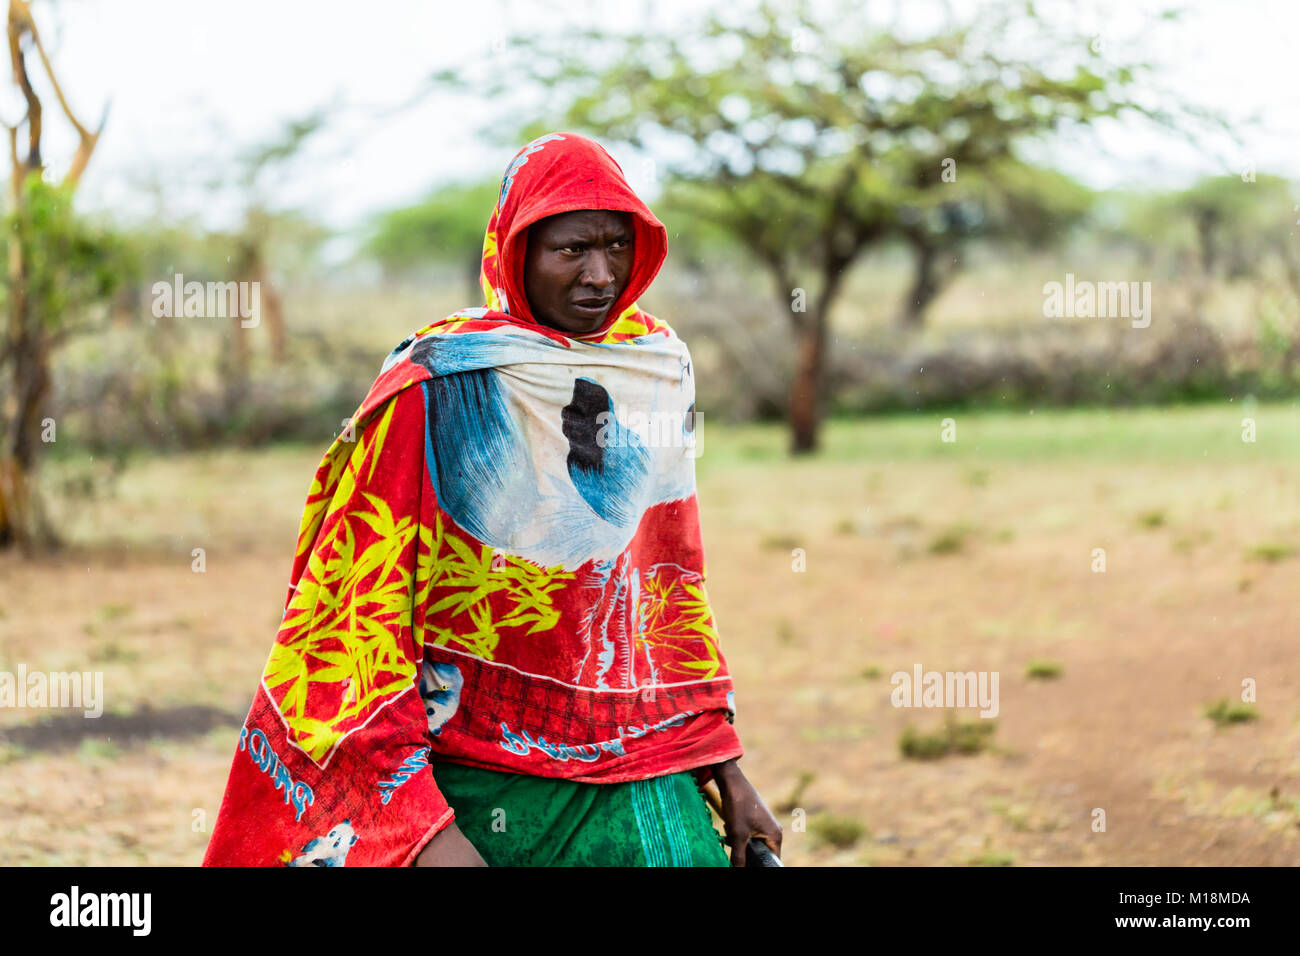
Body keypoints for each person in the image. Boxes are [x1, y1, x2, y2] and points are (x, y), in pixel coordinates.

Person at [201, 131, 781, 867]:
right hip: (470, 772)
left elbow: (665, 590)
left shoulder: (654, 367)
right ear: (516, 251)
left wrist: (723, 765)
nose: (600, 275)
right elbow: (349, 613)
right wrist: (420, 828)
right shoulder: (437, 384)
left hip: (637, 763)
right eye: (570, 249)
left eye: (615, 245)